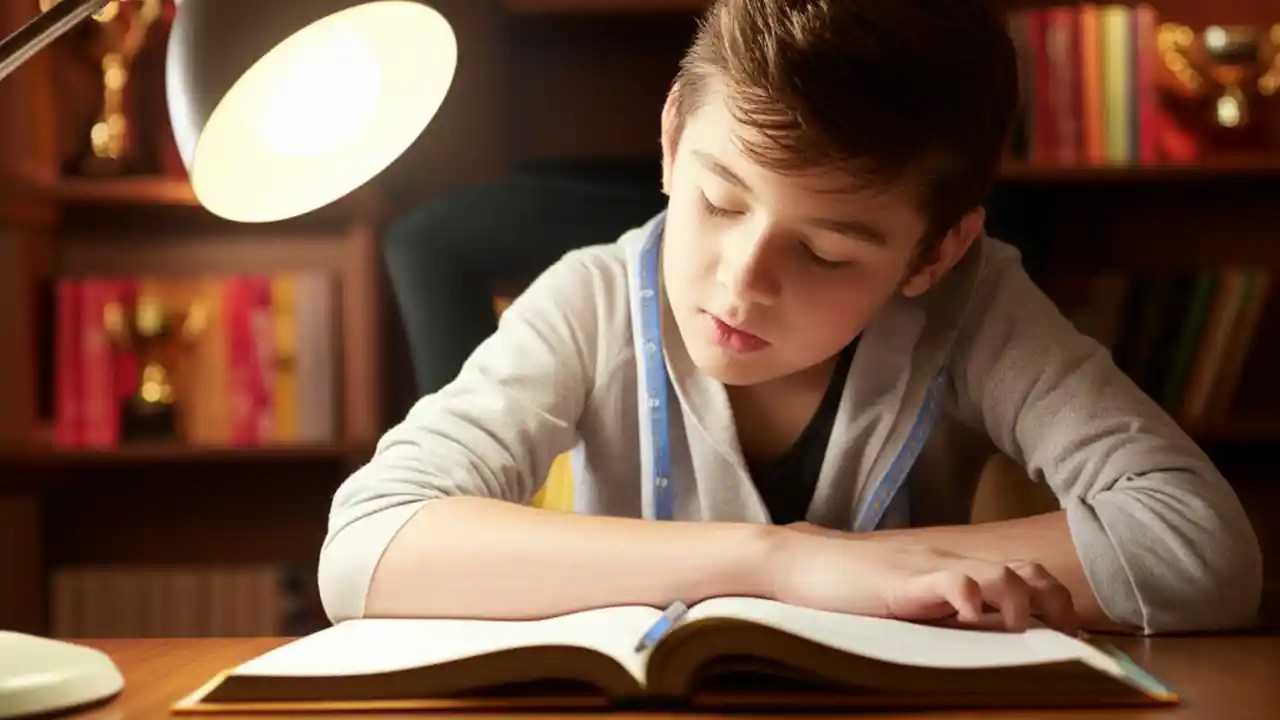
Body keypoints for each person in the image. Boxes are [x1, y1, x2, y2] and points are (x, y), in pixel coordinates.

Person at [318, 0, 1261, 636]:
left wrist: (854, 567)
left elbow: (1200, 548)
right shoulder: (592, 299)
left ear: (935, 252)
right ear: (674, 133)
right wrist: (786, 565)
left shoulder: (976, 307)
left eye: (826, 253)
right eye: (721, 202)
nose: (741, 280)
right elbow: (368, 548)